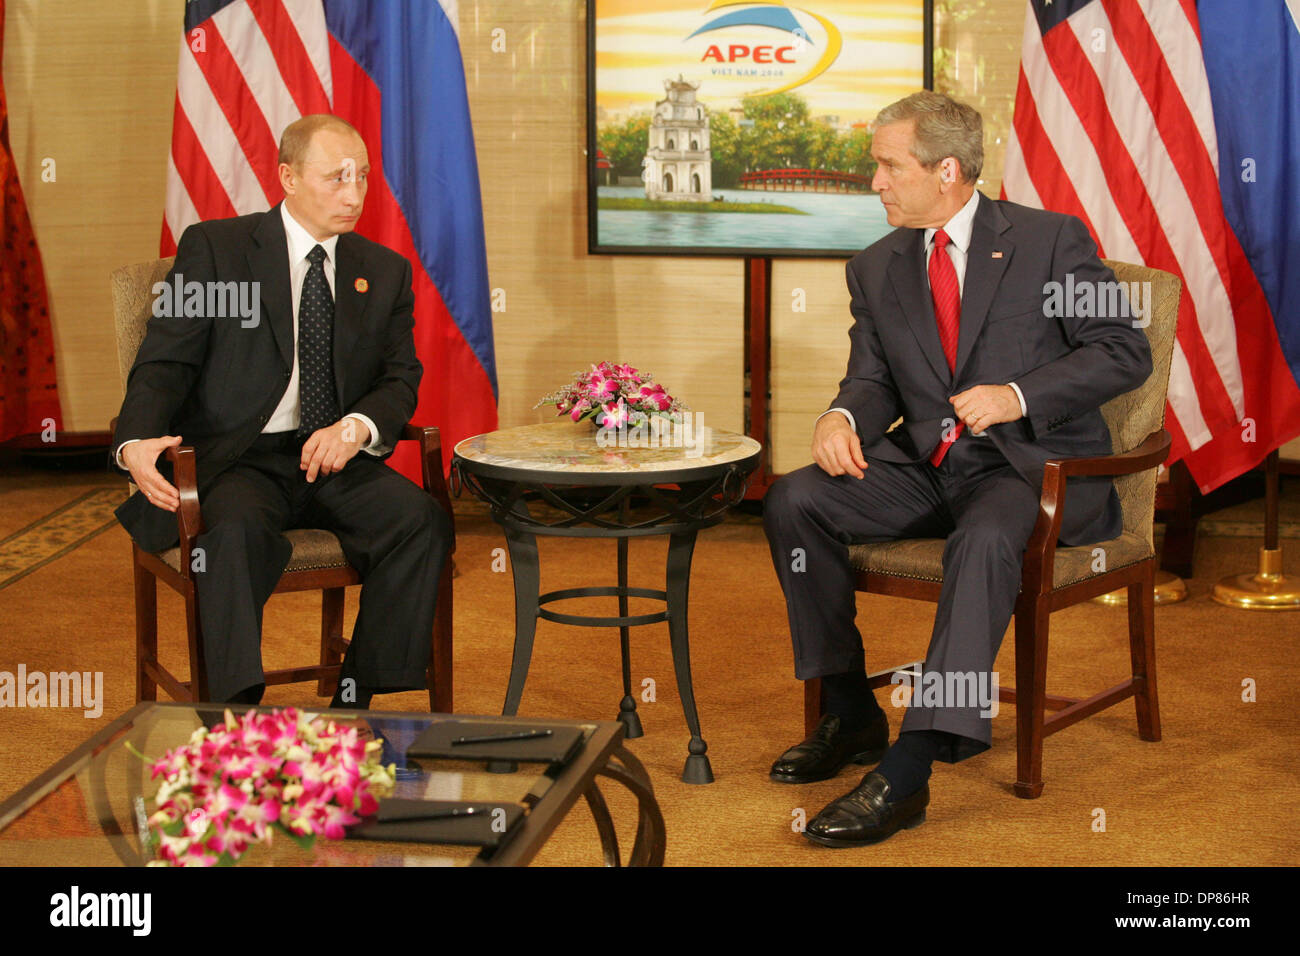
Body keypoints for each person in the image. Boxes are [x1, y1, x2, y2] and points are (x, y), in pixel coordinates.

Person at [763, 92, 1152, 846]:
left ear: (947, 169)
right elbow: (873, 380)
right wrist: (841, 417)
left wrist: (1017, 395)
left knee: (982, 544)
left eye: (887, 166)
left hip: (1031, 471)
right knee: (794, 500)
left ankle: (910, 766)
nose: (873, 182)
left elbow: (1120, 351)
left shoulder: (1050, 241)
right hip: (926, 465)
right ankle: (849, 710)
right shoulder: (875, 266)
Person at [113, 114, 450, 708]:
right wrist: (134, 440)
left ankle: (354, 700)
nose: (354, 195)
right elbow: (166, 360)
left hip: (332, 457)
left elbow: (401, 377)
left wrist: (357, 427)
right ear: (288, 177)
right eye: (336, 178)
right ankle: (234, 717)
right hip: (238, 458)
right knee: (233, 538)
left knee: (419, 519)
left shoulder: (384, 271)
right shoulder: (217, 250)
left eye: (363, 178)